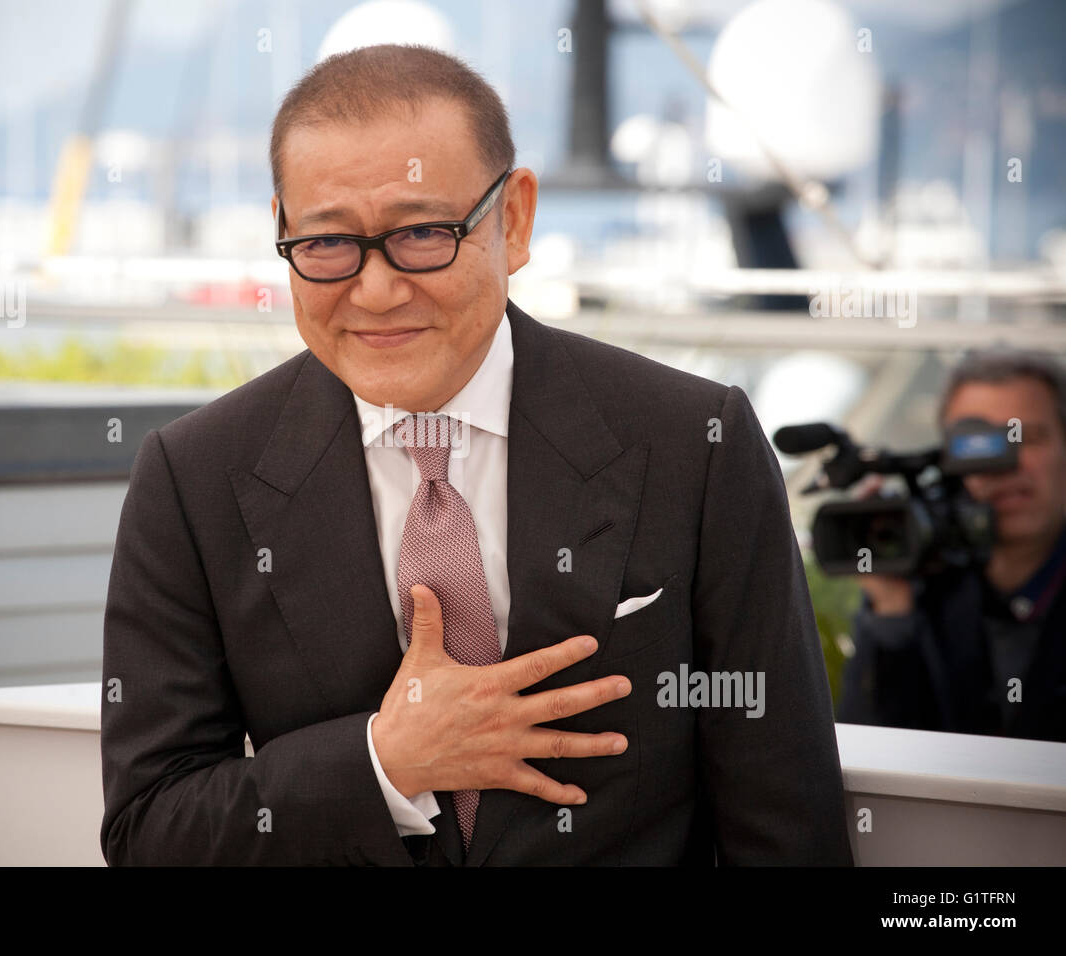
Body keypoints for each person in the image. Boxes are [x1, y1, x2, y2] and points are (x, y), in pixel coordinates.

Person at [99, 43, 851, 865]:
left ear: (515, 219)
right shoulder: (193, 476)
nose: (376, 290)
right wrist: (386, 761)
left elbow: (785, 824)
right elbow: (149, 829)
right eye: (326, 245)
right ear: (281, 230)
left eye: (423, 233)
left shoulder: (692, 444)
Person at [840, 349, 1066, 742]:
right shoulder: (927, 586)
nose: (1005, 464)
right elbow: (871, 756)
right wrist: (892, 610)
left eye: (1025, 437)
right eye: (979, 443)